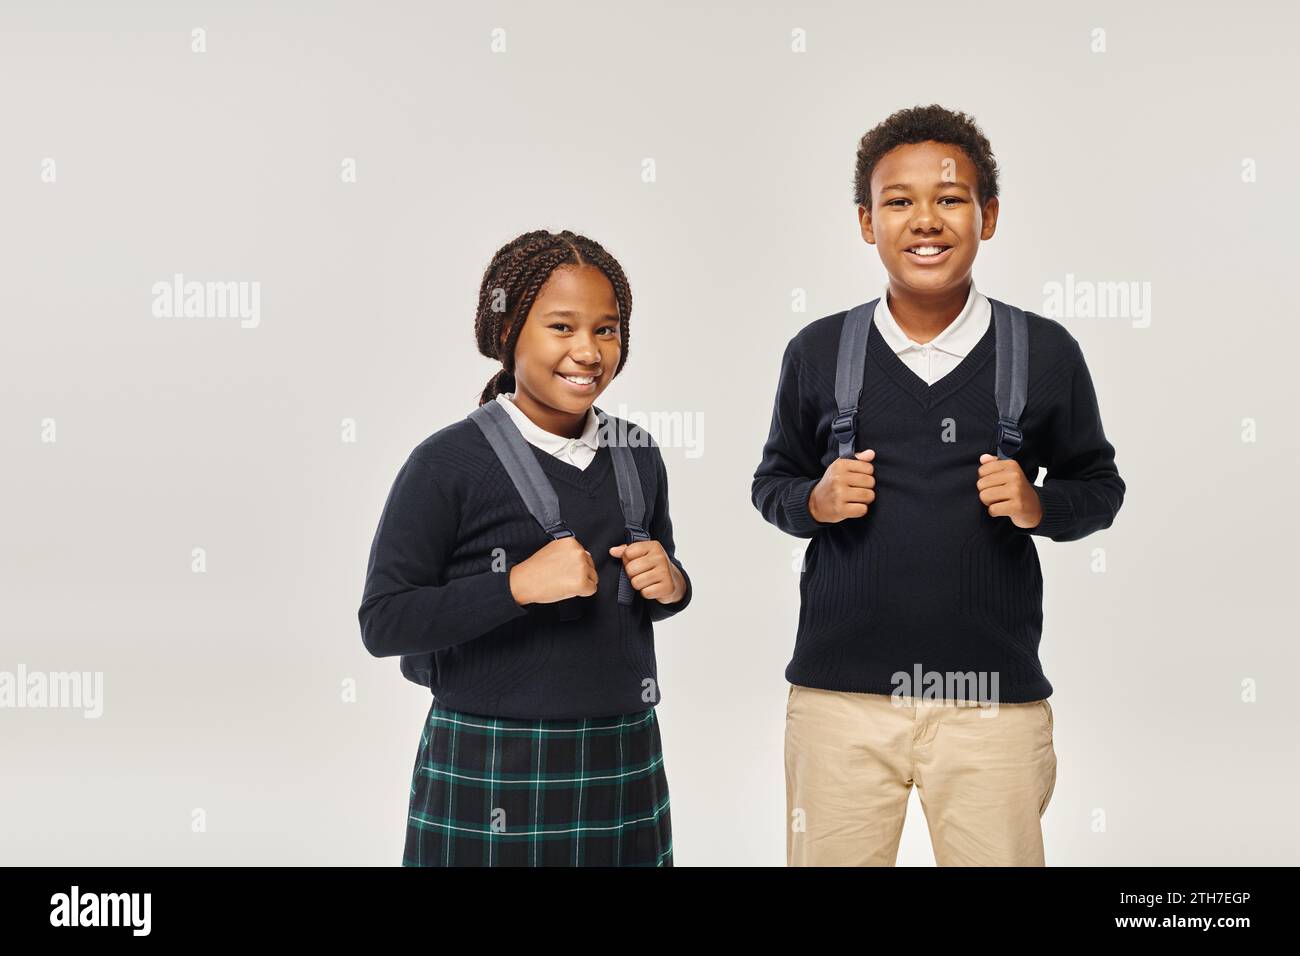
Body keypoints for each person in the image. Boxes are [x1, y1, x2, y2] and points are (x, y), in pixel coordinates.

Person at [751, 105, 1125, 866]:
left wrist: (1040, 505)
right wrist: (813, 502)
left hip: (993, 705)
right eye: (899, 201)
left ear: (988, 216)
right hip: (840, 702)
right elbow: (772, 482)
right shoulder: (819, 350)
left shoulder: (1045, 351)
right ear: (866, 221)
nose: (926, 220)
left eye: (951, 199)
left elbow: (1101, 485)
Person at [360, 229, 692, 866]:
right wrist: (516, 586)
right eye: (561, 327)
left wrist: (672, 583)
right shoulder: (447, 462)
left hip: (623, 746)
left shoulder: (638, 452)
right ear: (510, 334)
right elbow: (384, 621)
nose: (587, 352)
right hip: (491, 756)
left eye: (606, 329)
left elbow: (658, 588)